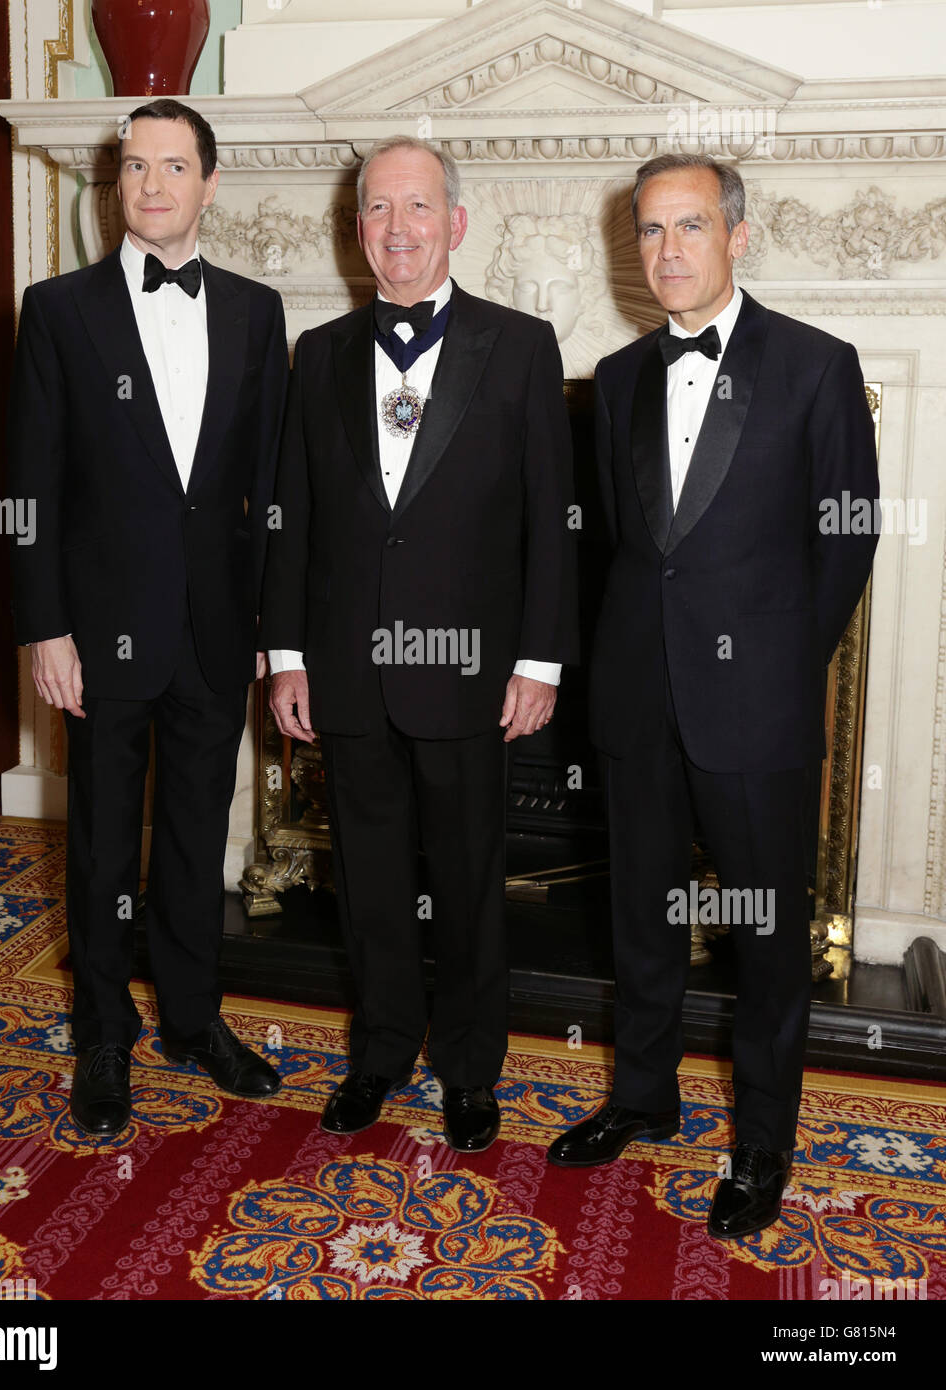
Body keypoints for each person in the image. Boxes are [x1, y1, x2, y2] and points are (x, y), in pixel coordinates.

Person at [547, 153, 879, 1240]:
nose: (667, 250)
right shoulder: (617, 375)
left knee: (762, 937)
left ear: (737, 236)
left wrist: (783, 662)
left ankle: (760, 1146)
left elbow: (846, 532)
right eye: (648, 231)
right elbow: (625, 550)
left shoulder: (815, 365)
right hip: (638, 699)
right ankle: (639, 1096)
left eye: (688, 226)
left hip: (757, 706)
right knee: (637, 912)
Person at [261, 136, 576, 1152]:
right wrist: (284, 655)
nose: (397, 229)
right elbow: (294, 515)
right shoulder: (320, 353)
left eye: (416, 208)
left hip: (469, 676)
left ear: (455, 223)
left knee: (473, 878)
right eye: (377, 211)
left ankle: (471, 1067)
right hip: (347, 672)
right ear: (357, 230)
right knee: (369, 877)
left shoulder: (521, 347)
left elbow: (549, 519)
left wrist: (538, 660)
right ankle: (381, 1052)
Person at [8, 98, 289, 1136]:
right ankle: (100, 1035)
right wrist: (46, 629)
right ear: (116, 183)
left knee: (194, 832)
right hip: (99, 633)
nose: (154, 184)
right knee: (99, 842)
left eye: (174, 166)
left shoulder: (259, 313)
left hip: (216, 632)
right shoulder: (58, 309)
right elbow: (31, 485)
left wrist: (272, 622)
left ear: (209, 183)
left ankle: (191, 1017)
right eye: (136, 167)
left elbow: (267, 485)